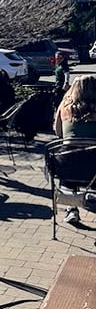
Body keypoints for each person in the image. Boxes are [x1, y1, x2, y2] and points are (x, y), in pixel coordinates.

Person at [54, 75, 96, 225]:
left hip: (67, 167)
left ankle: (71, 209)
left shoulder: (64, 106)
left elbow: (58, 132)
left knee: (68, 155)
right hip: (93, 169)